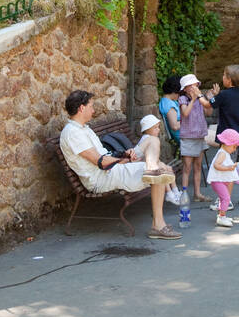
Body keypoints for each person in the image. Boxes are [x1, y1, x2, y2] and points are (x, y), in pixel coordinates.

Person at [58, 90, 180, 239]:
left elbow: (105, 157)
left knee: (154, 148)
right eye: (91, 106)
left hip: (111, 170)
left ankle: (152, 170)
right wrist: (126, 160)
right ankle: (158, 226)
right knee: (158, 173)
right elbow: (100, 162)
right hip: (102, 178)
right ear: (81, 108)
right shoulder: (73, 133)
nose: (93, 110)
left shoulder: (83, 128)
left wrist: (123, 155)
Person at [178, 73, 214, 202]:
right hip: (188, 137)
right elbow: (185, 113)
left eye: (196, 85)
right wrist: (193, 99)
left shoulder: (201, 98)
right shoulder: (183, 100)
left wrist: (208, 98)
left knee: (198, 166)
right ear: (185, 88)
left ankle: (197, 193)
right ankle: (184, 193)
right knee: (187, 167)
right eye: (191, 85)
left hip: (199, 136)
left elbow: (209, 112)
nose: (194, 87)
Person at [207, 128, 239, 227]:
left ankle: (221, 215)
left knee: (223, 198)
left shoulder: (225, 153)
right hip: (217, 180)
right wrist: (228, 168)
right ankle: (221, 217)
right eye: (234, 147)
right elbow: (216, 165)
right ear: (227, 144)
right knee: (226, 198)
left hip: (220, 180)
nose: (234, 149)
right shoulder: (222, 154)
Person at [158, 74, 182, 154]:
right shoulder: (168, 104)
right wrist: (189, 121)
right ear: (175, 90)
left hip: (188, 134)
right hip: (185, 137)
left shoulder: (170, 101)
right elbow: (174, 126)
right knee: (216, 136)